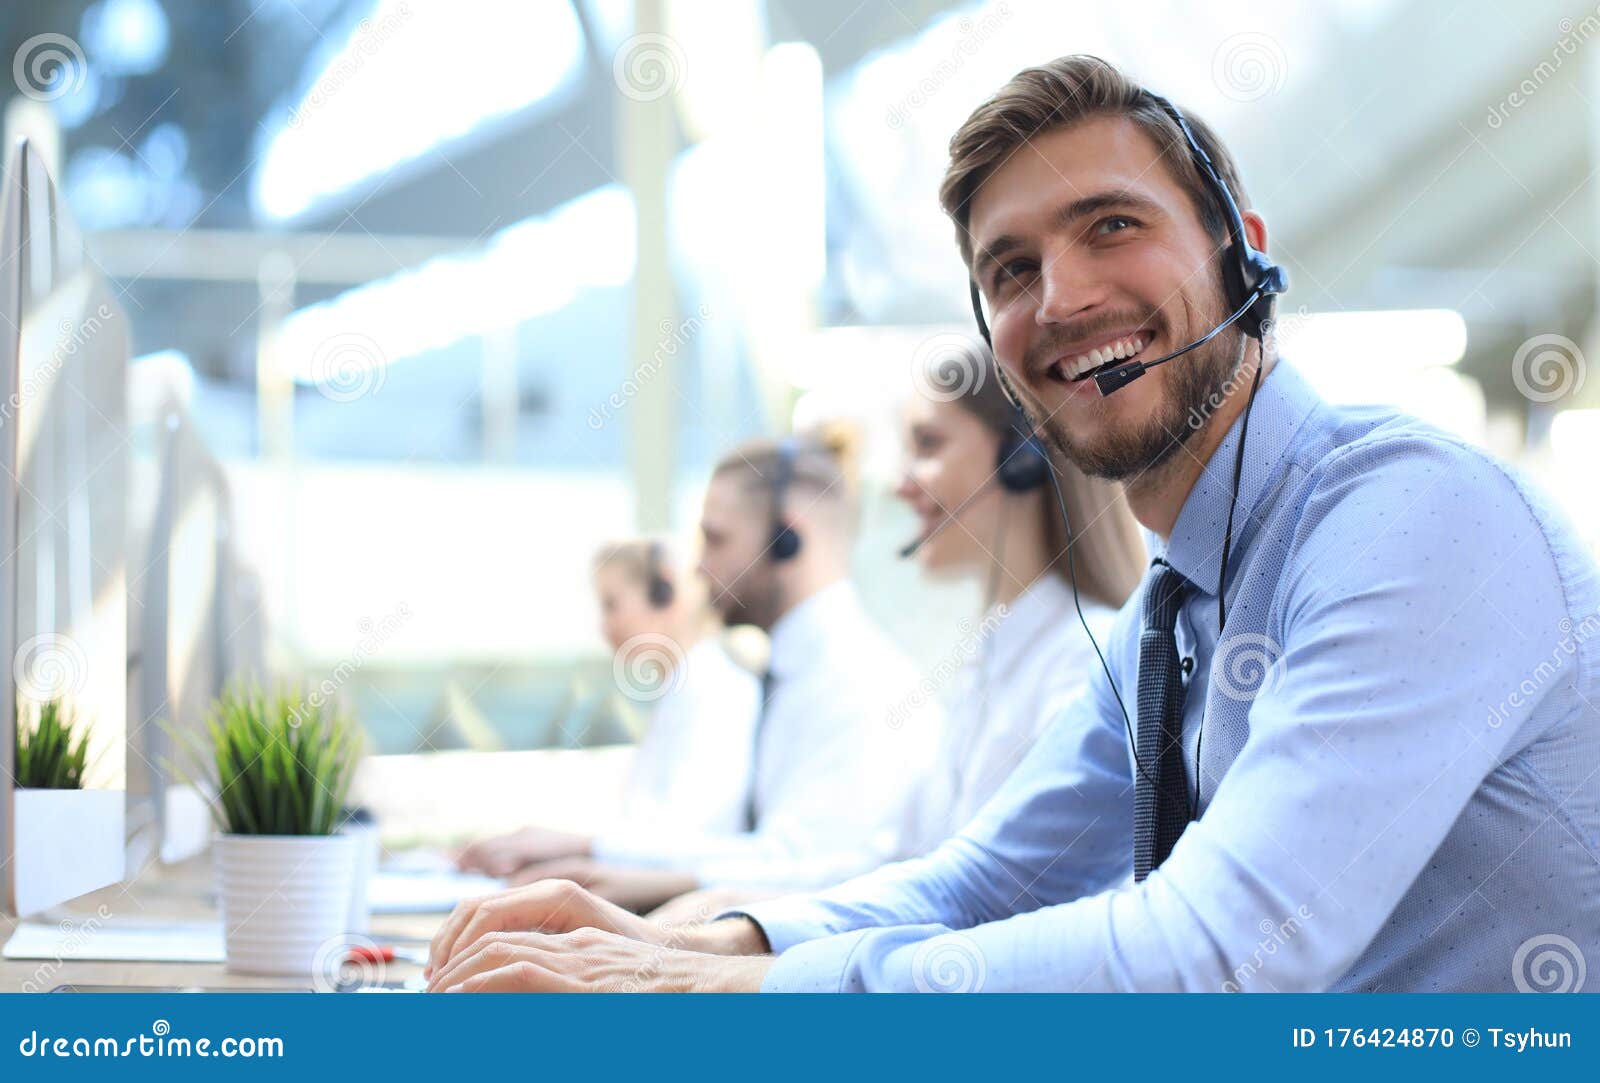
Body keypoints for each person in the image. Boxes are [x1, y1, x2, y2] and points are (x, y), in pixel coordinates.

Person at [425, 55, 1600, 992]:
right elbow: (981, 883)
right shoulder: (1170, 613)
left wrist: (730, 997)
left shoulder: (1411, 519)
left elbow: (1224, 953)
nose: (1062, 298)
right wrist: (700, 946)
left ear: (1239, 245)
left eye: (1110, 226)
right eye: (1009, 270)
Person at [647, 348, 1146, 926]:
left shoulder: (1083, 665)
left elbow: (982, 906)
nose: (902, 483)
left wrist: (739, 927)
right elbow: (902, 865)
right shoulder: (982, 664)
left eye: (928, 445)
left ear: (1023, 456)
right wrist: (732, 908)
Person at [460, 427, 943, 913]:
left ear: (786, 540)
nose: (697, 568)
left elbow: (813, 864)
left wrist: (599, 853)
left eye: (715, 539)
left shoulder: (858, 685)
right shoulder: (789, 673)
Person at [455, 539, 760, 906]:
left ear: (665, 595)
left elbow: (692, 839)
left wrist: (578, 846)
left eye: (612, 605)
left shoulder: (717, 689)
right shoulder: (683, 689)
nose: (604, 627)